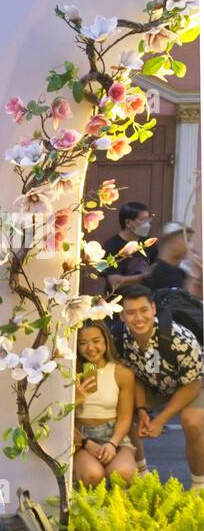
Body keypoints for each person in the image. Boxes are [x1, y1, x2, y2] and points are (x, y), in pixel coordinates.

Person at [112, 285, 204, 491]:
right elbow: (130, 378)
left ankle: (199, 486)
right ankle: (142, 475)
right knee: (123, 411)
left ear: (153, 309)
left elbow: (193, 383)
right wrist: (141, 410)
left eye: (144, 310)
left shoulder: (180, 338)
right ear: (122, 316)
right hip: (151, 383)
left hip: (190, 382)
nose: (138, 318)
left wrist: (161, 420)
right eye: (131, 312)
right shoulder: (118, 338)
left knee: (192, 421)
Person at [73, 321, 137, 487]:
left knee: (122, 473)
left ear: (106, 341)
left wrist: (112, 443)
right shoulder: (72, 372)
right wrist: (76, 399)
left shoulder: (122, 373)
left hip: (113, 435)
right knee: (93, 475)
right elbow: (61, 419)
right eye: (83, 343)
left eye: (96, 341)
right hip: (81, 436)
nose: (90, 348)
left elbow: (125, 418)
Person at [103, 201, 154, 294]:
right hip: (119, 302)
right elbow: (115, 282)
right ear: (128, 222)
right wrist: (143, 277)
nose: (147, 224)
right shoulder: (111, 246)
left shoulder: (148, 242)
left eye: (148, 220)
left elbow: (156, 264)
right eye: (143, 220)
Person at [146, 223, 194, 293]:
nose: (191, 246)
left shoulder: (181, 272)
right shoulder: (158, 273)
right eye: (187, 239)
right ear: (170, 241)